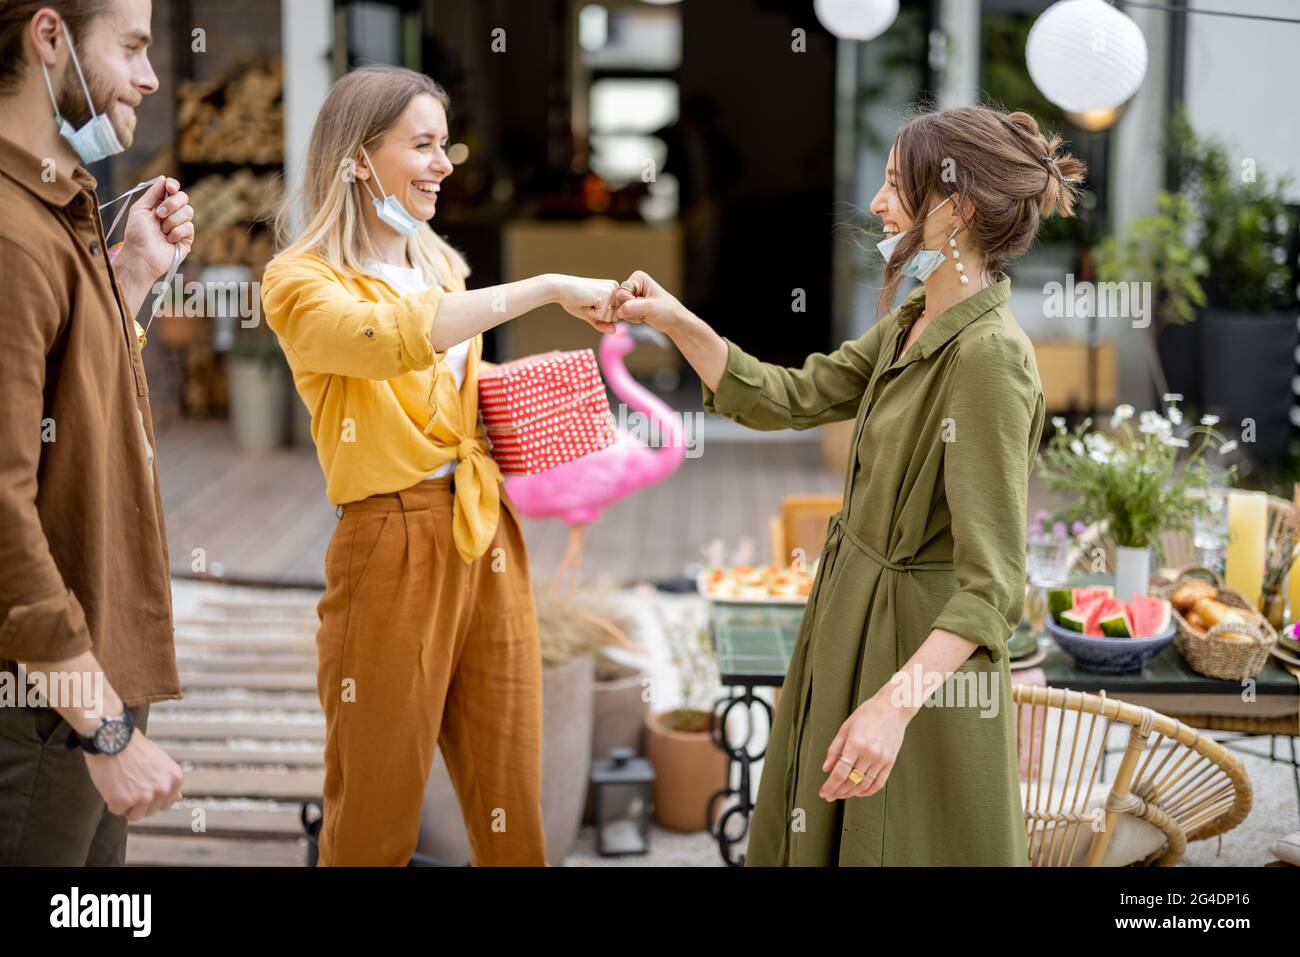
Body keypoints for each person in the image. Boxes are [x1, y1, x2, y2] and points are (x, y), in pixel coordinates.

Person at [613, 106, 1082, 865]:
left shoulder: (990, 359)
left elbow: (992, 584)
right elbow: (786, 395)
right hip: (848, 623)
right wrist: (674, 320)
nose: (877, 202)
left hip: (917, 664)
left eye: (898, 184)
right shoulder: (913, 319)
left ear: (956, 208)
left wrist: (892, 709)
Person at [261, 64, 622, 867]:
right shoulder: (300, 283)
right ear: (359, 158)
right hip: (390, 543)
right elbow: (389, 342)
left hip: (486, 527)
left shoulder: (442, 267)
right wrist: (546, 286)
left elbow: (447, 387)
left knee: (509, 797)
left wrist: (538, 398)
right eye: (422, 145)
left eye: (444, 144)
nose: (443, 164)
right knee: (376, 805)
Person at [0, 0, 196, 865]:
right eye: (132, 47)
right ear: (49, 38)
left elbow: (66, 409)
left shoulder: (56, 205)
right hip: (44, 704)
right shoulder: (9, 236)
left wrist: (132, 278)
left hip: (81, 682)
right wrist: (103, 725)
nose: (151, 78)